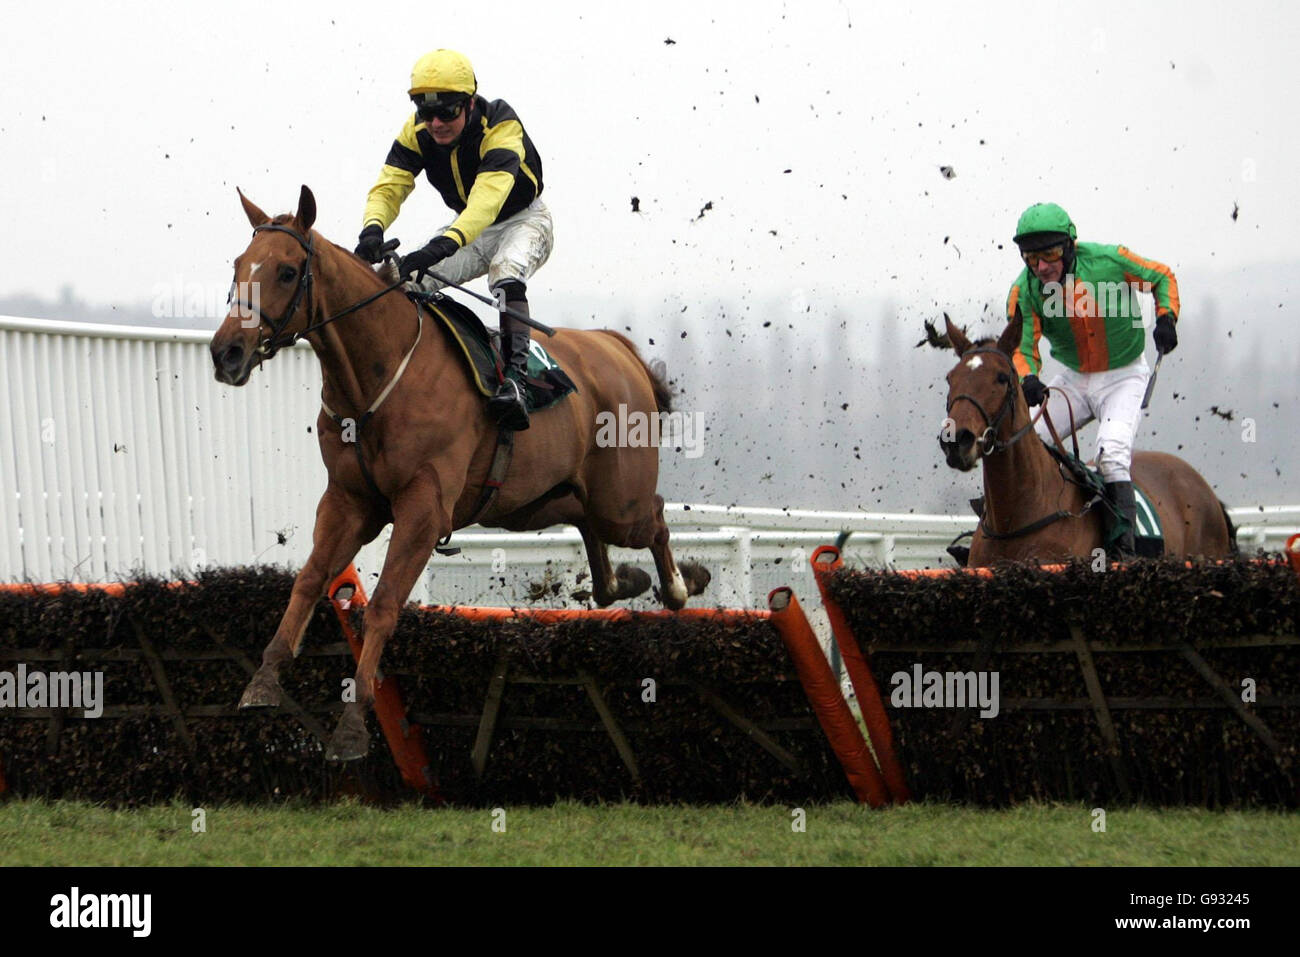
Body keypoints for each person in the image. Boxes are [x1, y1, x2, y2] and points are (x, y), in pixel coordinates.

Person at [354, 48, 551, 431]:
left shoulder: (501, 125)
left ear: (470, 103)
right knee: (401, 279)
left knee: (505, 272)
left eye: (447, 112)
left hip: (524, 221)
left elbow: (485, 202)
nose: (436, 123)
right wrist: (372, 228)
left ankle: (516, 382)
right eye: (426, 113)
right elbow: (390, 185)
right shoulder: (417, 132)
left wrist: (443, 244)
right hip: (472, 228)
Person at [1006, 202, 1180, 558]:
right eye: (1031, 257)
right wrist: (1029, 379)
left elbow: (1162, 276)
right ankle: (1011, 531)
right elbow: (1021, 345)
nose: (1041, 267)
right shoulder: (1024, 289)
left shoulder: (1110, 261)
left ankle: (1123, 550)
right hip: (1074, 378)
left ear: (1069, 246)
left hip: (1124, 375)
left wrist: (1166, 316)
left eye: (1050, 254)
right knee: (1023, 439)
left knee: (1112, 453)